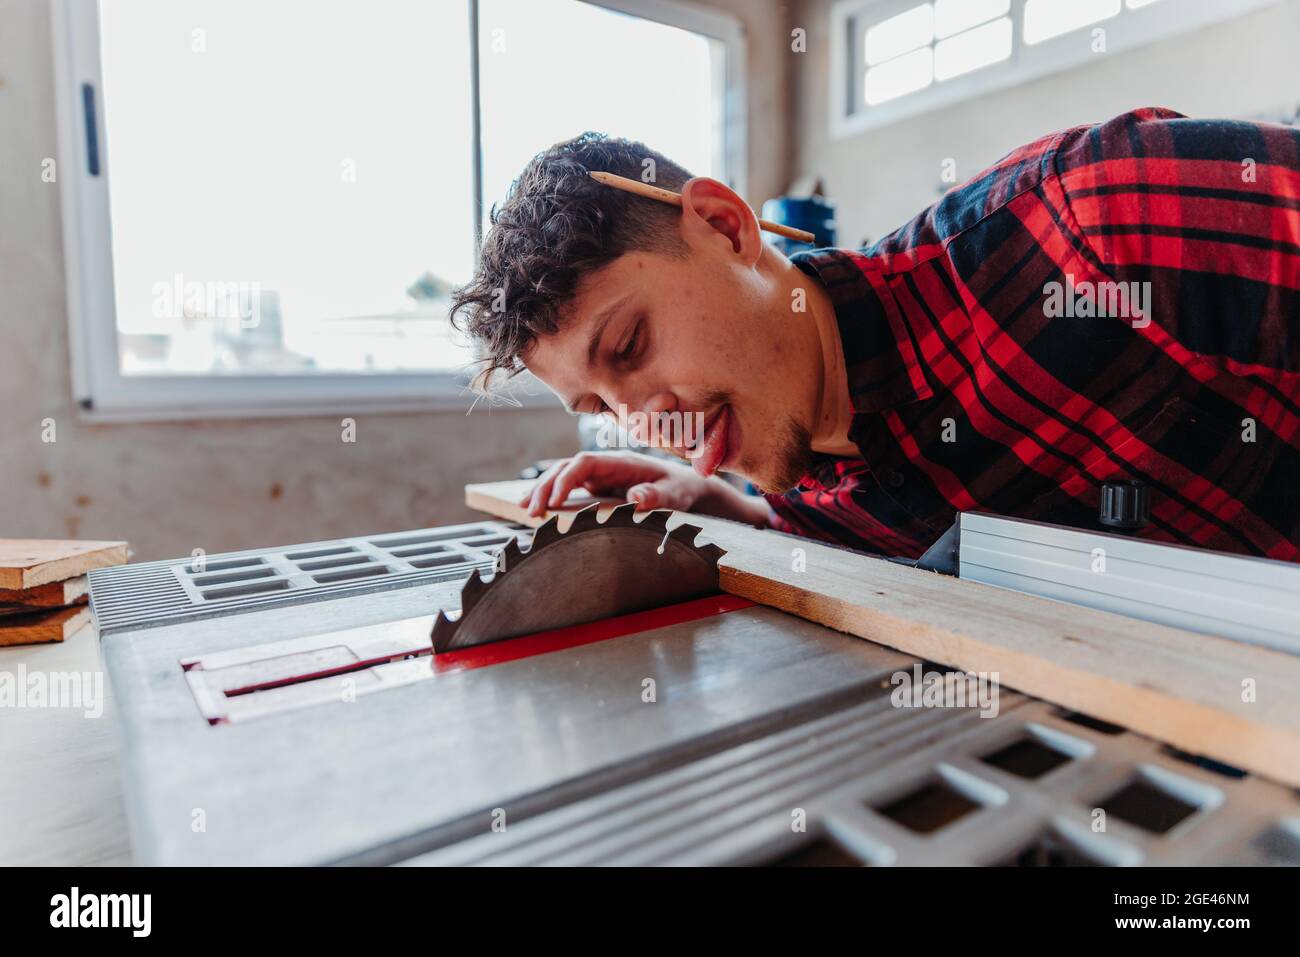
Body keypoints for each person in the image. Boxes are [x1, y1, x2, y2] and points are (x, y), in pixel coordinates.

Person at [451, 108, 1300, 562]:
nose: (648, 421)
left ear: (725, 225)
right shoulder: (808, 486)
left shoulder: (1085, 225)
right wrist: (729, 509)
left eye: (631, 348)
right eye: (599, 403)